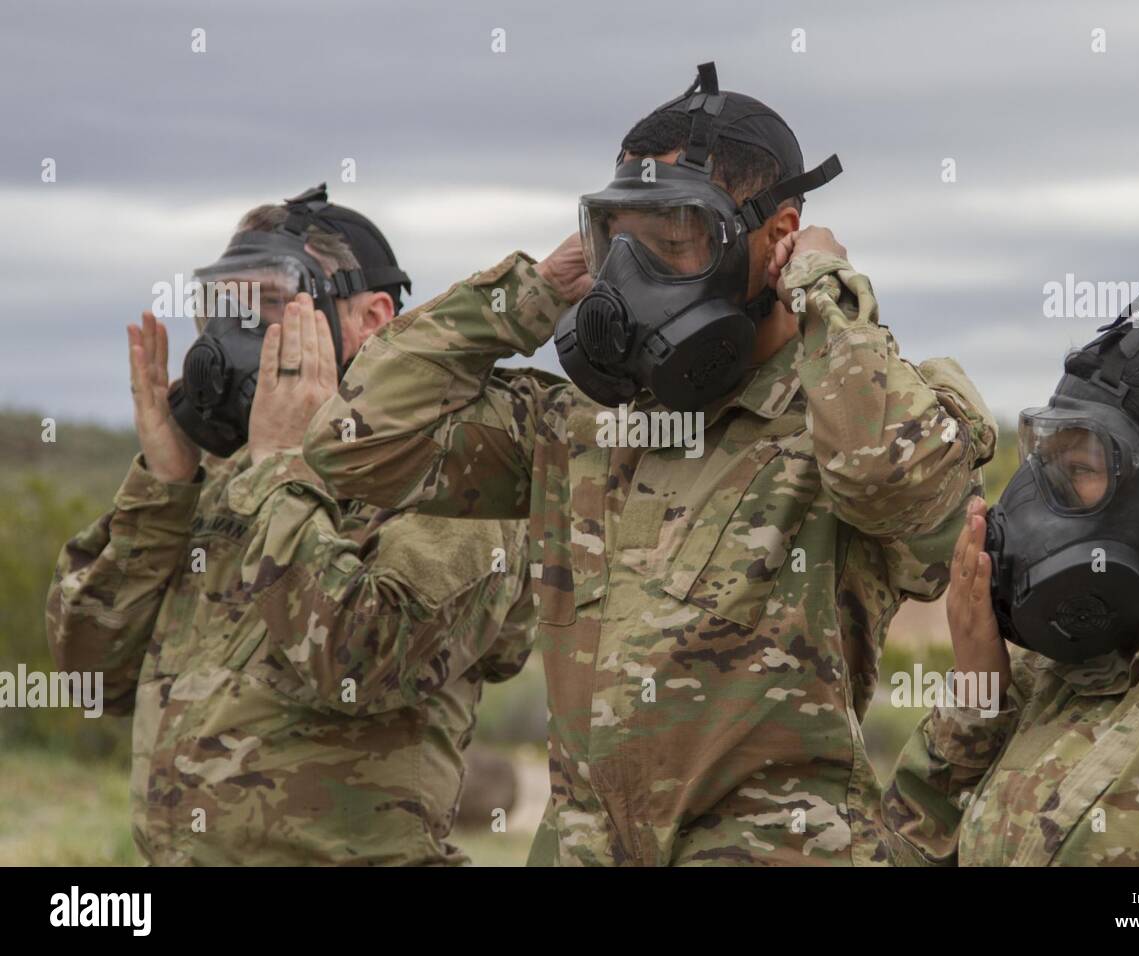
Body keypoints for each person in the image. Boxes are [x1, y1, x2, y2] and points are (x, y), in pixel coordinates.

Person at [304, 63, 996, 866]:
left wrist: (822, 290)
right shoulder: (583, 433)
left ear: (775, 236)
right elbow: (351, 439)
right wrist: (532, 289)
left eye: (673, 243)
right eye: (616, 242)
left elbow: (897, 488)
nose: (634, 278)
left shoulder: (846, 422)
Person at [46, 186, 533, 865]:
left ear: (372, 318)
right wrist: (165, 487)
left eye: (271, 305)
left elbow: (359, 662)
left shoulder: (450, 473)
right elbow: (91, 678)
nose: (236, 335)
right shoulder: (223, 476)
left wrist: (280, 470)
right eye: (225, 306)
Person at [883, 296, 1139, 866]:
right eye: (1044, 466)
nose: (1038, 505)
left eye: (1079, 470)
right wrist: (978, 696)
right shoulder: (1070, 646)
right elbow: (896, 855)